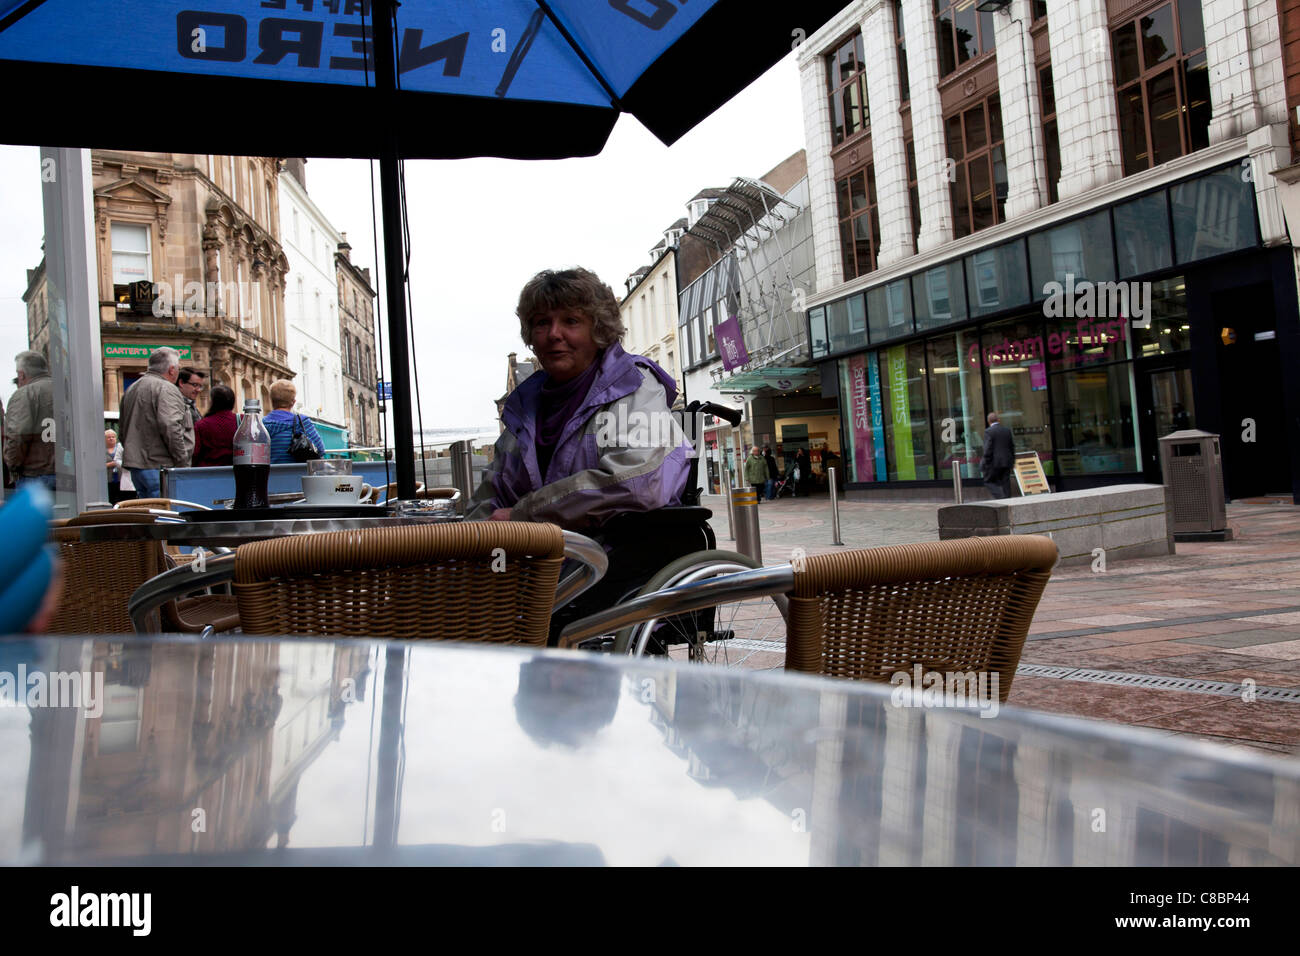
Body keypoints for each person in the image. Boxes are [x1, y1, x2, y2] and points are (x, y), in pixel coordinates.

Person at [466, 267, 694, 645]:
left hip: (608, 571)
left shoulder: (634, 386)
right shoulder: (528, 407)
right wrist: (460, 542)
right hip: (533, 578)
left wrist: (526, 515)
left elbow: (640, 482)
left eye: (570, 321)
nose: (554, 334)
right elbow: (492, 494)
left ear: (599, 329)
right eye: (541, 323)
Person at [119, 346, 193, 499]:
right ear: (172, 370)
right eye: (178, 368)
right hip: (159, 465)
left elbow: (122, 430)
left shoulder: (132, 388)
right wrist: (182, 464)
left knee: (149, 512)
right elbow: (171, 427)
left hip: (138, 466)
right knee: (164, 515)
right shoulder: (166, 388)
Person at [3, 350, 56, 491]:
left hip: (34, 475)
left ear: (21, 374)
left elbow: (17, 435)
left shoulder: (24, 394)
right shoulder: (66, 390)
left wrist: (12, 465)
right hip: (67, 474)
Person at [264, 379, 324, 464]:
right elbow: (320, 450)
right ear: (293, 402)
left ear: (271, 401)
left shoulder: (262, 424)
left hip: (270, 475)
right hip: (298, 474)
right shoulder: (302, 422)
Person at [192, 384, 239, 467]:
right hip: (236, 471)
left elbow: (196, 453)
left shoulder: (201, 425)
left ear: (212, 402)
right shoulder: (242, 420)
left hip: (208, 472)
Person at [981, 411, 1015, 499]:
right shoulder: (1007, 430)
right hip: (1007, 461)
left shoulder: (988, 431)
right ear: (998, 420)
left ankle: (1000, 496)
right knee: (1005, 481)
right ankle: (1007, 499)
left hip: (994, 462)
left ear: (988, 421)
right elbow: (1011, 446)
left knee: (988, 481)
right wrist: (1013, 460)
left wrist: (986, 462)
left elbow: (987, 448)